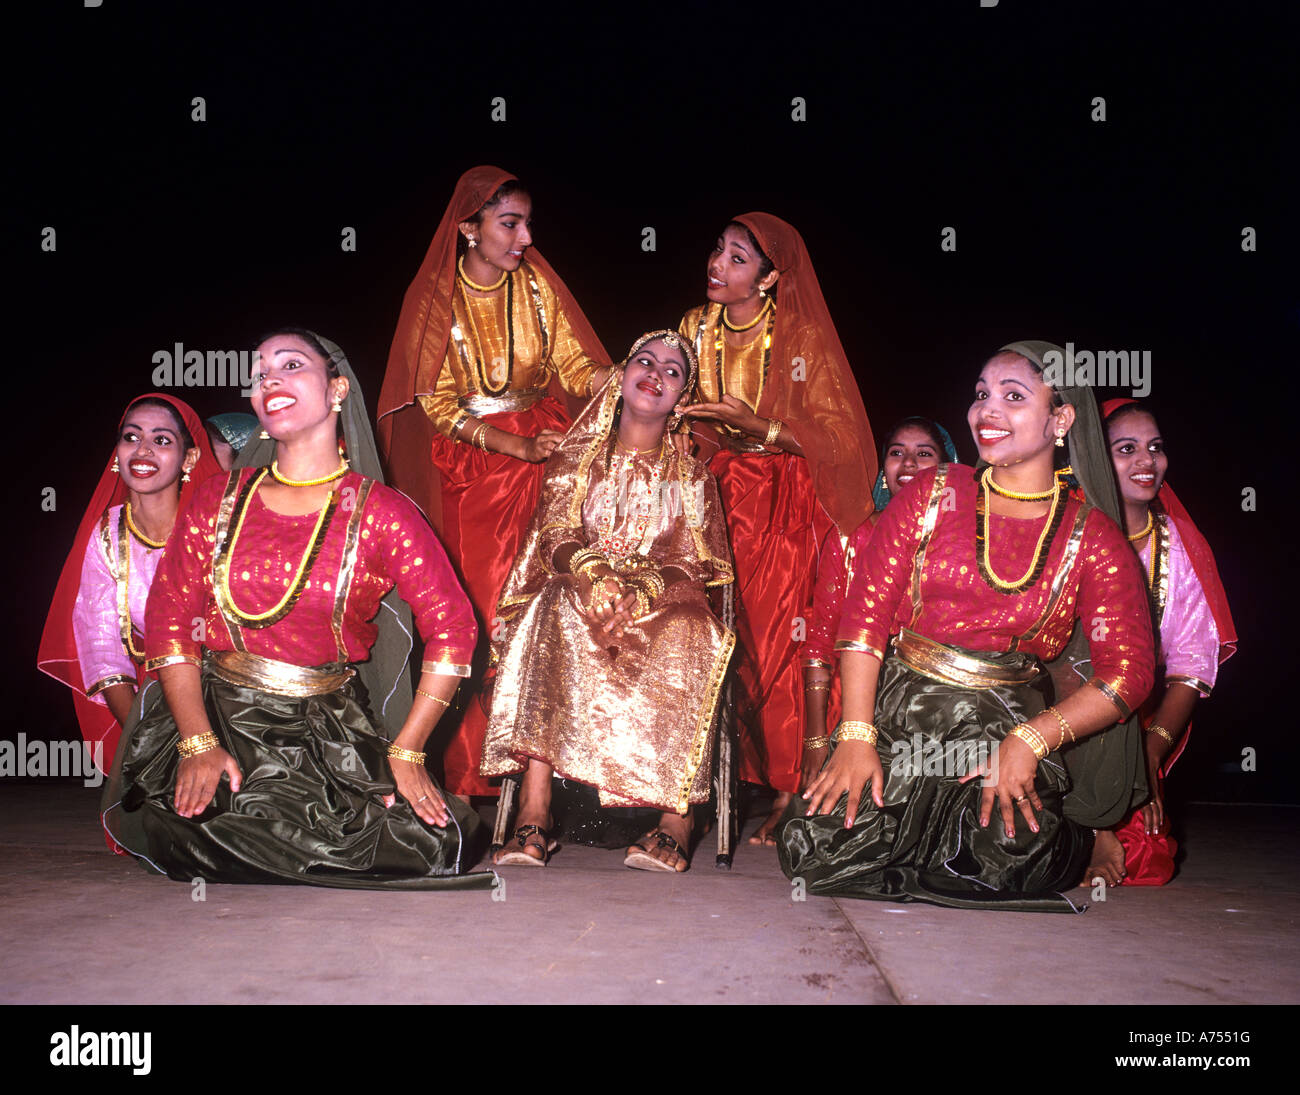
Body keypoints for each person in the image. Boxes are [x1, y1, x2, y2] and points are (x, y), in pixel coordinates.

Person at [104, 330, 493, 889]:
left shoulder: (382, 512)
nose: (270, 381)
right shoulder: (217, 500)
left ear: (337, 389)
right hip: (223, 720)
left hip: (327, 728)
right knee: (195, 826)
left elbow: (454, 628)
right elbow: (170, 622)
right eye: (261, 372)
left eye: (291, 365)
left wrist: (408, 751)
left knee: (428, 840)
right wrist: (197, 743)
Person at [778, 342, 1155, 912]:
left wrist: (1030, 742)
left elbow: (1129, 673)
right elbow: (865, 618)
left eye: (1012, 396)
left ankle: (1078, 832)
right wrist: (855, 735)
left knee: (1006, 855)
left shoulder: (1093, 536)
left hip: (1005, 722)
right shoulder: (933, 493)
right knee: (817, 847)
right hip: (905, 713)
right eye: (981, 394)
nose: (986, 410)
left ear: (1061, 419)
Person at [378, 165, 609, 798]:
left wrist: (623, 386)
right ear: (467, 229)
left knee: (552, 602)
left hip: (548, 456)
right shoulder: (433, 299)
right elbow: (435, 403)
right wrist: (516, 445)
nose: (526, 238)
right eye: (510, 224)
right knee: (482, 610)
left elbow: (577, 363)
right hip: (472, 471)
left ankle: (543, 775)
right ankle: (473, 774)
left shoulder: (534, 287)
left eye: (528, 224)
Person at [481, 332, 735, 872]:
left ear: (682, 397)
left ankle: (675, 818)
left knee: (695, 628)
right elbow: (555, 532)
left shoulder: (692, 475)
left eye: (672, 370)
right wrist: (593, 573)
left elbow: (693, 559)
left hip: (665, 598)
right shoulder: (577, 458)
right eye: (644, 360)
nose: (655, 372)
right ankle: (535, 810)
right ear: (619, 379)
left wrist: (642, 588)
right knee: (553, 607)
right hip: (580, 586)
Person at [678, 213, 877, 842]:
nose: (718, 264)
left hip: (786, 497)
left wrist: (753, 425)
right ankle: (691, 789)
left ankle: (797, 784)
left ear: (769, 280)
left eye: (738, 259)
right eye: (718, 249)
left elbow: (842, 439)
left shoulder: (802, 338)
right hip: (710, 493)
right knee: (708, 635)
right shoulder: (691, 327)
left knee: (781, 643)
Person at [1086, 398, 1237, 885]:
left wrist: (1149, 753)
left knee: (1146, 860)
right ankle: (1089, 830)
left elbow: (1191, 665)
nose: (1146, 462)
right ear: (1094, 457)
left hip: (1136, 717)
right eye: (1126, 449)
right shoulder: (1067, 527)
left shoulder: (1178, 544)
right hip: (1058, 704)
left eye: (1155, 448)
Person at [39, 395, 219, 779]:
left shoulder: (216, 528)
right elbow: (102, 649)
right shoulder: (107, 534)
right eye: (131, 437)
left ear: (189, 459)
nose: (143, 450)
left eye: (162, 440)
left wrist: (200, 737)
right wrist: (144, 738)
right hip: (149, 705)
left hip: (232, 701)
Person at [796, 418, 958, 816]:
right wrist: (816, 743)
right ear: (882, 470)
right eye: (896, 453)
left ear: (948, 467)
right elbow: (819, 641)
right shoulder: (850, 538)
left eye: (924, 454)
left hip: (942, 702)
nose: (908, 463)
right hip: (858, 704)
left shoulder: (965, 542)